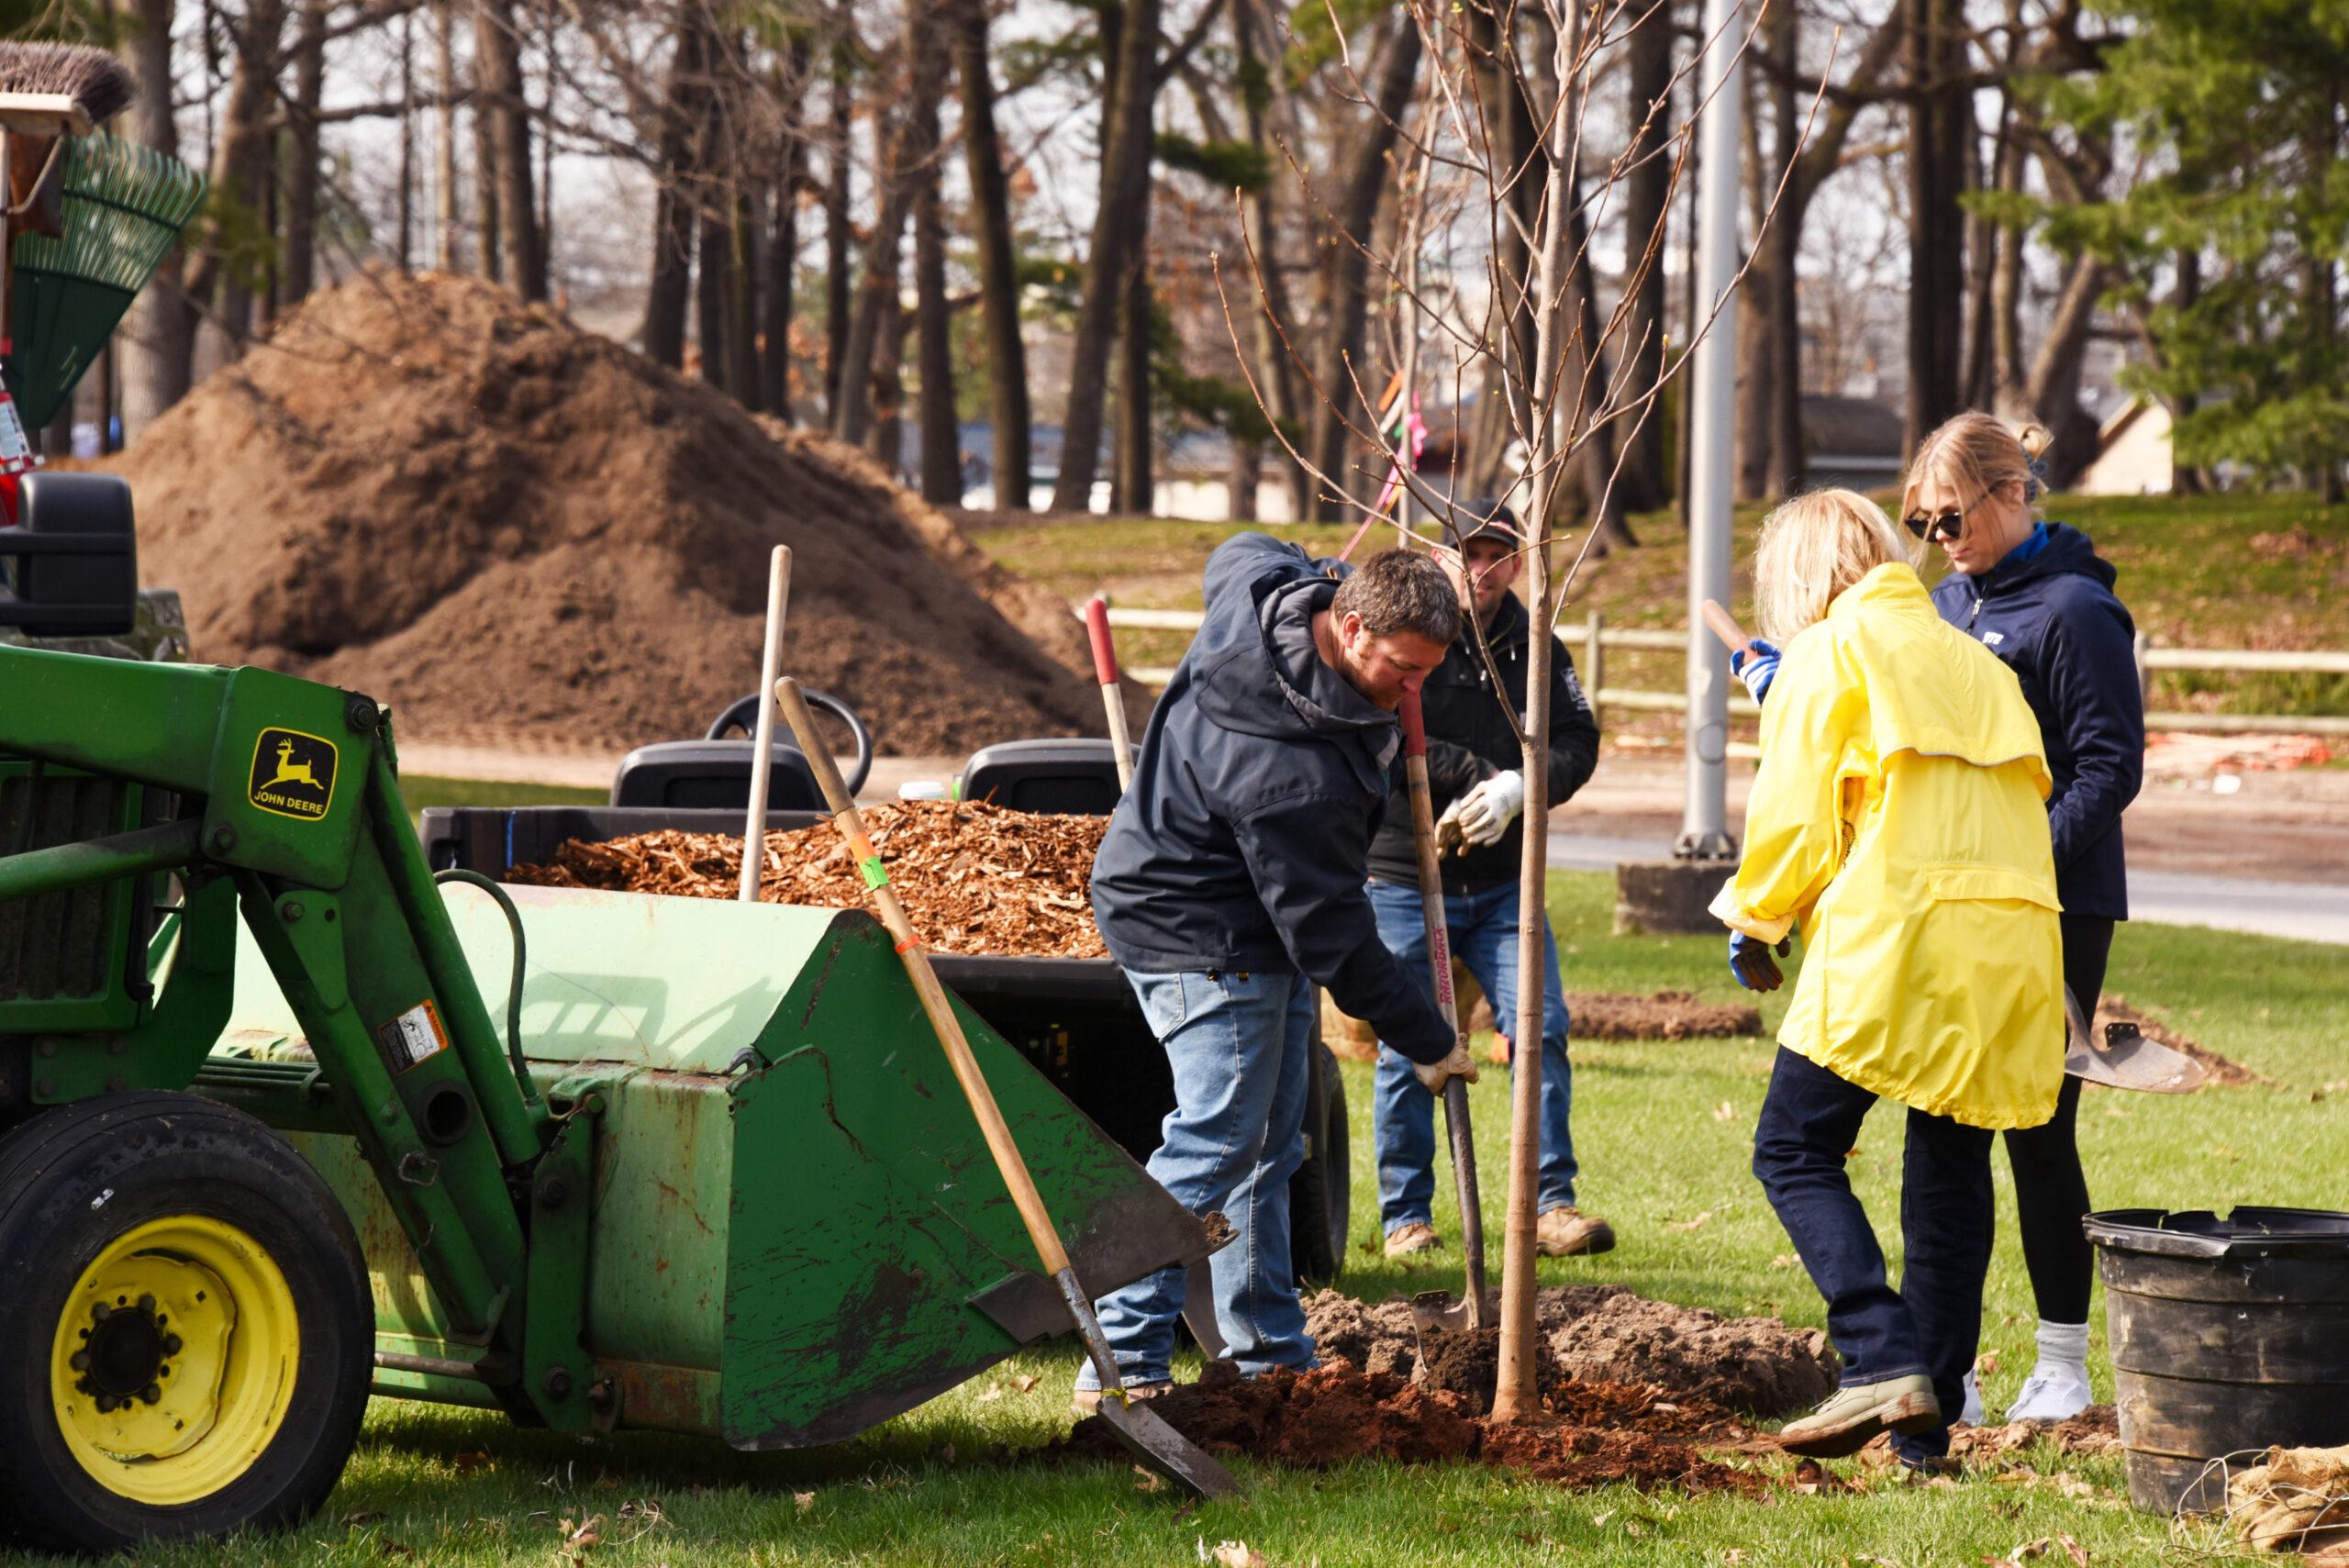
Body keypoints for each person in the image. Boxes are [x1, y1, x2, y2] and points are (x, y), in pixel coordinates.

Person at [1079, 534, 1480, 1409]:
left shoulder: (1269, 595)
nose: (1414, 694)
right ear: (1350, 627)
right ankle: (1119, 1356)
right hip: (1200, 929)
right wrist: (1426, 1033)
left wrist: (1334, 566)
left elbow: (1240, 551)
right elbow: (1333, 936)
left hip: (1239, 912)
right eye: (1402, 671)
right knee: (1219, 1137)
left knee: (1270, 1139)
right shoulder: (1292, 773)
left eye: (1426, 675)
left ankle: (1266, 1351)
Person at [1713, 488, 2065, 1468]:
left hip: (1897, 937)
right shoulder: (1974, 656)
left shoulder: (1833, 649)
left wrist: (1753, 918)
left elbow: (1796, 808)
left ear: (1799, 575)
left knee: (1793, 1145)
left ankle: (1876, 1352)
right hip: (2007, 948)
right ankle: (1925, 1427)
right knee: (1948, 1169)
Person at [1909, 414, 2144, 1424]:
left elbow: (2109, 768)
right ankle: (1946, 1367)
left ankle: (2060, 1364)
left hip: (2058, 904)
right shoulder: (1947, 601)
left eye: (1952, 514)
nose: (1939, 536)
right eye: (1921, 521)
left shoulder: (2077, 608)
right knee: (1942, 1121)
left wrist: (2017, 861)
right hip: (1956, 903)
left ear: (2010, 492)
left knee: (2039, 1131)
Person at [1362, 500, 1613, 1261]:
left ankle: (1549, 1204)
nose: (1484, 569)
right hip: (1407, 875)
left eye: (1499, 554)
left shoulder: (1538, 648)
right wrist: (1477, 774)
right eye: (1470, 553)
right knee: (1410, 1044)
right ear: (1444, 557)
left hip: (1506, 887)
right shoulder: (1414, 627)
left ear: (1518, 561)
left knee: (1540, 1031)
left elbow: (1578, 740)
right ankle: (1407, 1215)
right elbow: (1383, 727)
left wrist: (1522, 788)